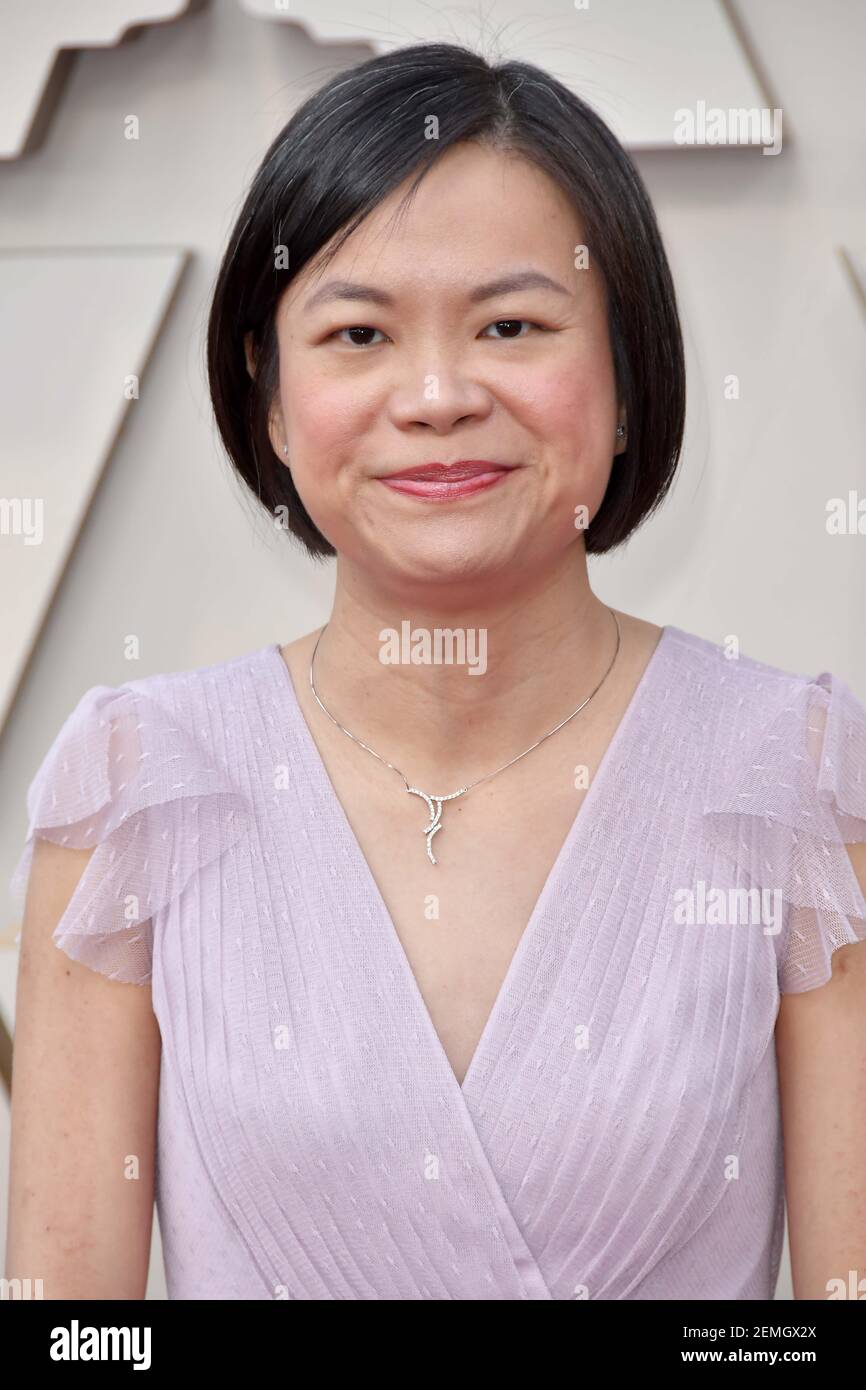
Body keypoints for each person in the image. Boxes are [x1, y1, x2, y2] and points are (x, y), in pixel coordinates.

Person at [6, 42, 866, 1302]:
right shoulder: (137, 785)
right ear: (270, 400)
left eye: (509, 325)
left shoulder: (790, 777)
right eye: (357, 332)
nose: (435, 393)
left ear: (625, 375)